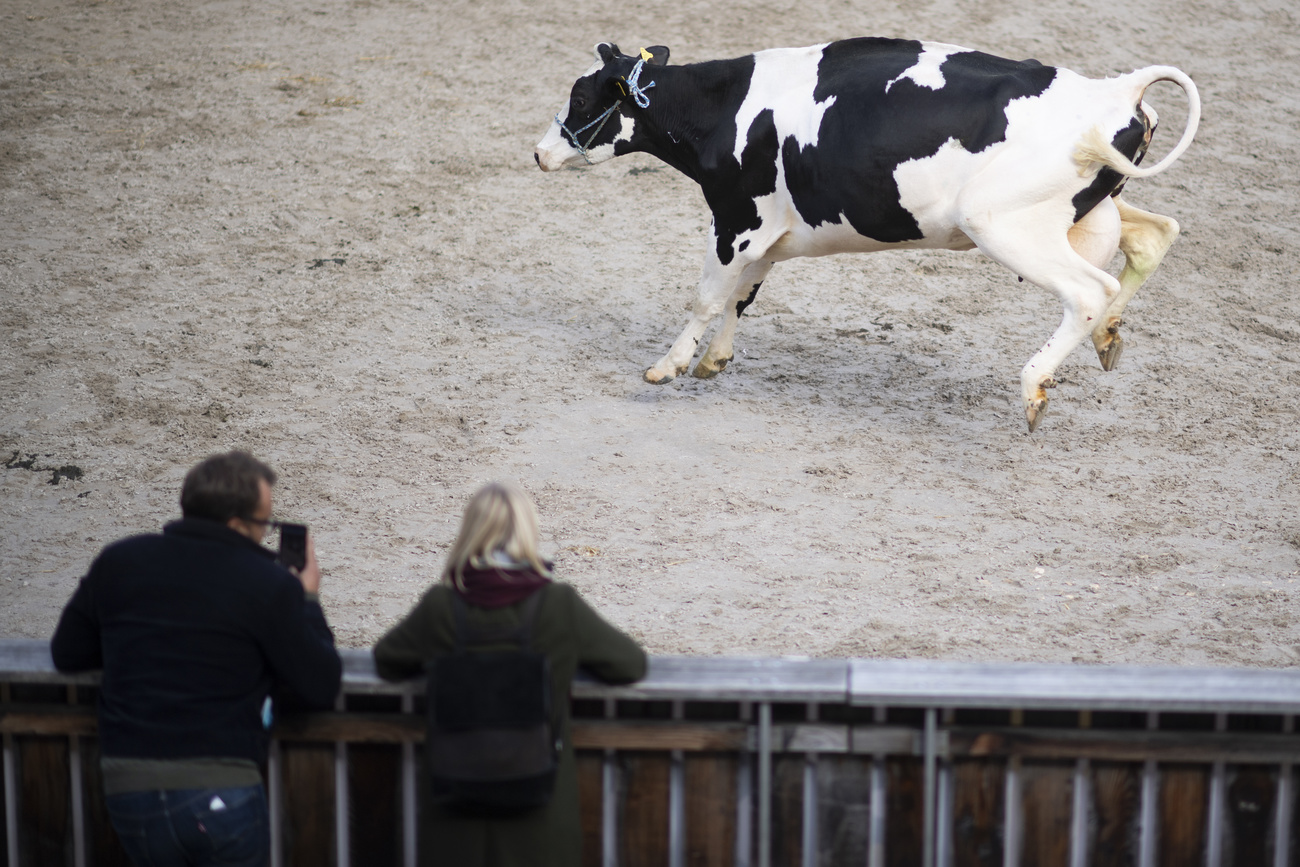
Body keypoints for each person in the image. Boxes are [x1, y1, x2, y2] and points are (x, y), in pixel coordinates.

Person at [51, 450, 342, 867]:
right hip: (221, 787)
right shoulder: (268, 584)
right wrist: (309, 598)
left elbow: (68, 654)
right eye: (265, 524)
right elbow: (320, 686)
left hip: (129, 789)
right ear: (238, 525)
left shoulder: (119, 560)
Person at [374, 481, 647, 867]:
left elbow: (387, 660)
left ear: (470, 533)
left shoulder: (441, 606)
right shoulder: (558, 605)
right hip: (540, 816)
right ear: (527, 531)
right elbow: (630, 665)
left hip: (454, 815)